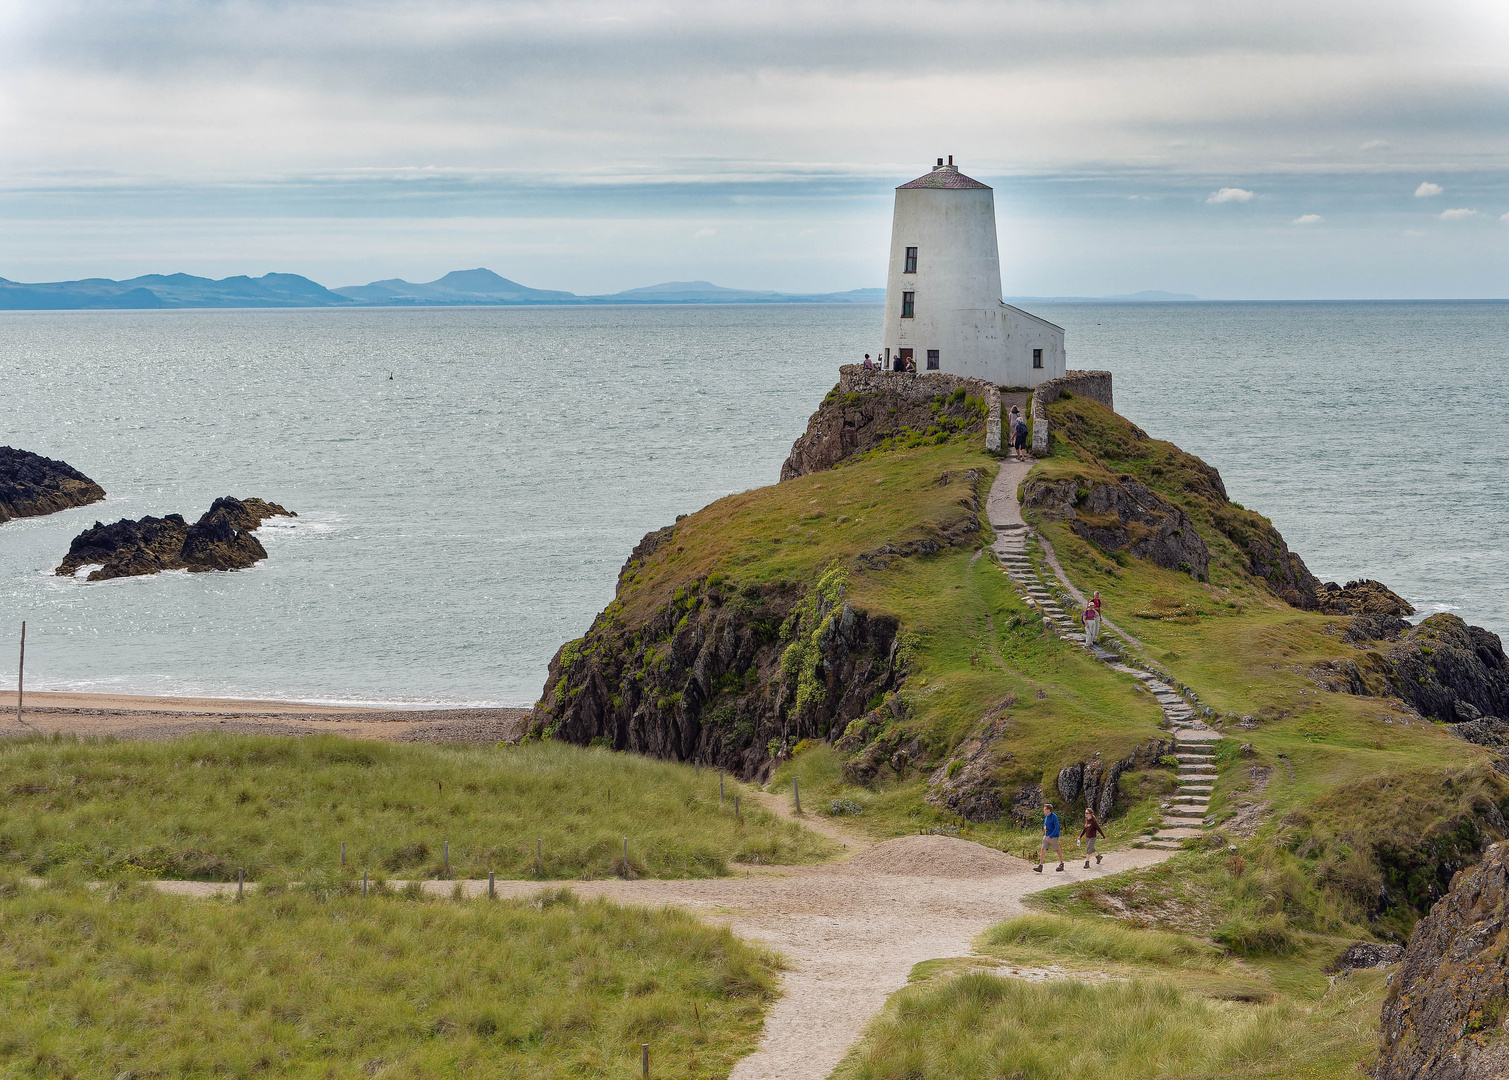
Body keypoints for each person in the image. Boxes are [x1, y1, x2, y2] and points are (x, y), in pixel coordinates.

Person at [1035, 803, 1064, 872]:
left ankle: (1061, 863)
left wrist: (1051, 836)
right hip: (1046, 836)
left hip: (1053, 837)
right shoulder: (1046, 816)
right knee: (1043, 849)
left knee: (1057, 850)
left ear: (1048, 810)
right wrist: (1044, 827)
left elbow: (1057, 827)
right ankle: (1040, 865)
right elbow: (1045, 823)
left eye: (1044, 809)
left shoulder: (1054, 817)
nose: (1043, 811)